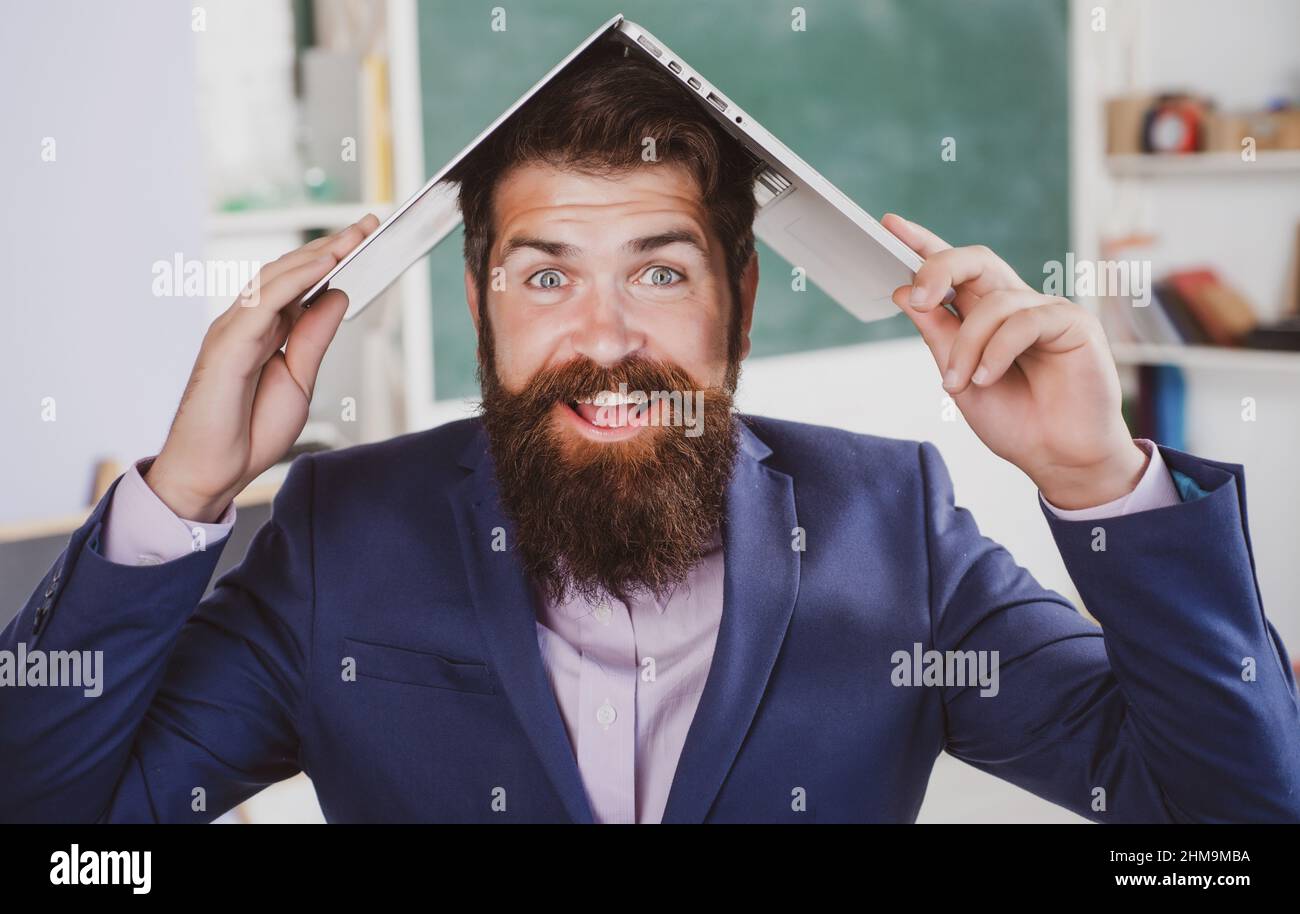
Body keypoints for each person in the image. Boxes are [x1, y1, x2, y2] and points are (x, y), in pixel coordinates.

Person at [3, 40, 1298, 824]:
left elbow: (1228, 821)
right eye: (547, 272)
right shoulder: (346, 530)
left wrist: (1101, 480)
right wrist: (182, 490)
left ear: (738, 299)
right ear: (479, 302)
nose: (605, 331)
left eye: (662, 272)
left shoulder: (887, 524)